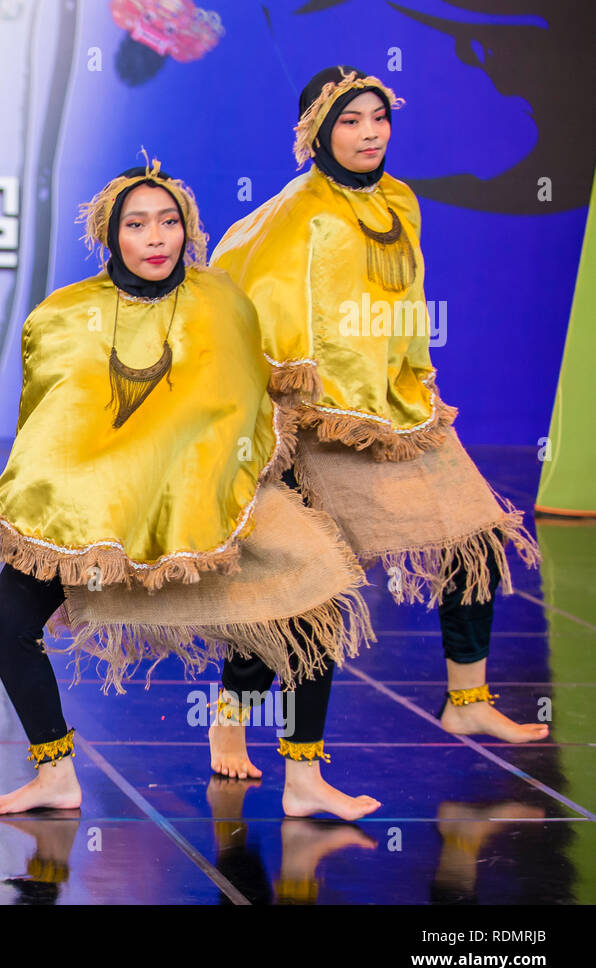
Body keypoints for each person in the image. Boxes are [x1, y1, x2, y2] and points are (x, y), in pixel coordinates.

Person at [0, 157, 380, 821]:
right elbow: (48, 435)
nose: (157, 236)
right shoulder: (65, 317)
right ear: (110, 235)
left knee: (313, 599)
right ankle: (54, 773)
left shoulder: (222, 303)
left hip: (216, 500)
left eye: (169, 221)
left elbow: (251, 402)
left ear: (186, 230)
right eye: (137, 224)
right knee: (5, 620)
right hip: (99, 514)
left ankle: (304, 779)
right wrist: (68, 559)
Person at [212, 67, 546, 767]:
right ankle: (230, 720)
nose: (370, 134)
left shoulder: (400, 199)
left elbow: (407, 299)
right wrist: (284, 407)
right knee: (302, 583)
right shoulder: (297, 211)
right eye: (350, 121)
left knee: (475, 539)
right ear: (316, 133)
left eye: (378, 118)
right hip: (323, 423)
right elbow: (245, 293)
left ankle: (468, 701)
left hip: (400, 411)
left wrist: (417, 375)